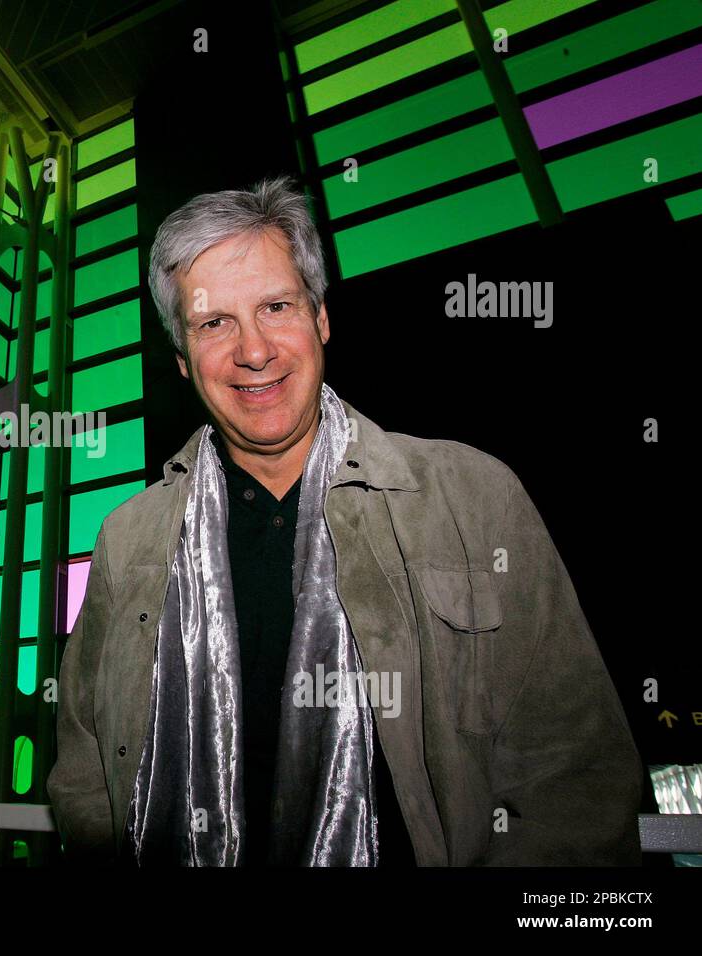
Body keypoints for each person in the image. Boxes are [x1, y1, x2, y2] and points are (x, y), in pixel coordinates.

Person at [45, 175, 643, 866]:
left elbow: (569, 771)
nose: (255, 350)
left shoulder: (471, 496)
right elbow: (85, 751)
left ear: (321, 318)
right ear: (183, 359)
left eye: (276, 306)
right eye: (214, 323)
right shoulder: (130, 539)